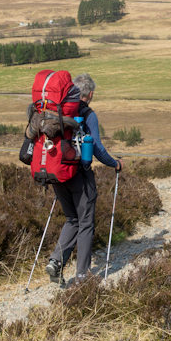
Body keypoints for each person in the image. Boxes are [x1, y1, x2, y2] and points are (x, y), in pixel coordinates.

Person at [45, 73, 122, 286]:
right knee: (86, 223)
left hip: (57, 172)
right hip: (80, 175)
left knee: (72, 219)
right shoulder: (88, 114)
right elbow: (96, 147)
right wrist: (114, 163)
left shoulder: (57, 110)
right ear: (91, 94)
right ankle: (82, 276)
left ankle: (55, 261)